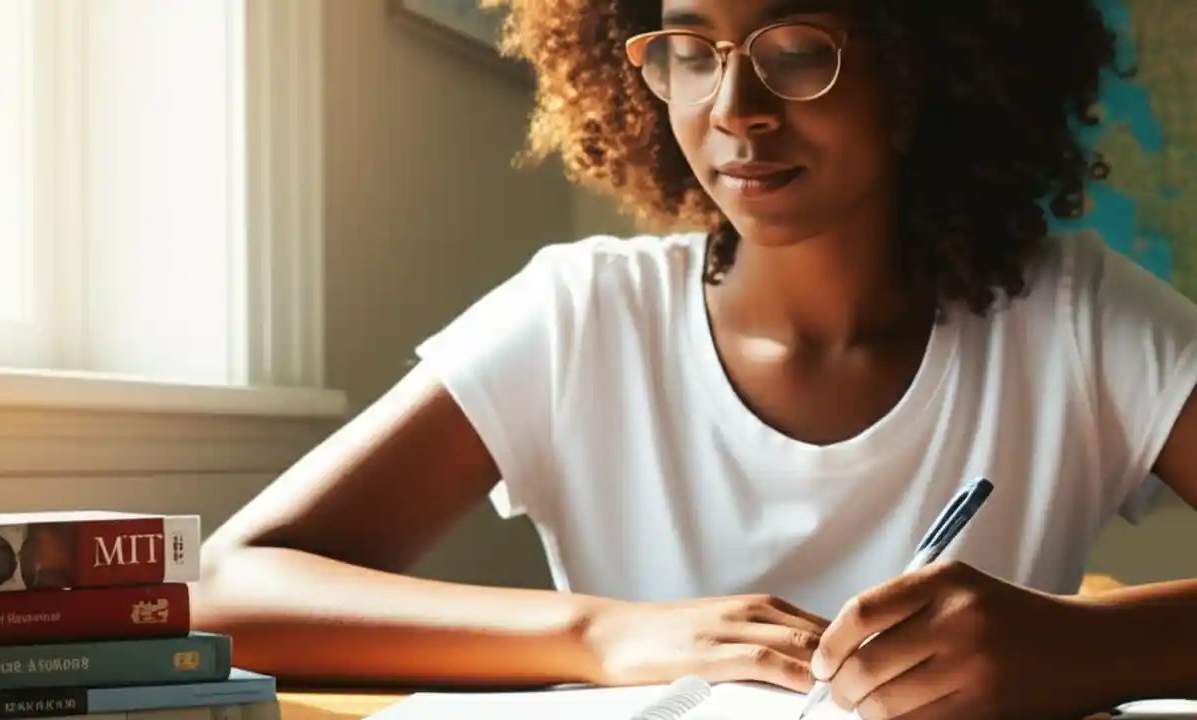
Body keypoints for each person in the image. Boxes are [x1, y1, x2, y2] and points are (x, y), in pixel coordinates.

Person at [191, 0, 1197, 717]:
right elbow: (222, 589)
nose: (734, 108)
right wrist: (602, 635)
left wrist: (1084, 645)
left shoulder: (1073, 313)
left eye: (799, 48)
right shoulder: (582, 314)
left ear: (926, 62)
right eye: (690, 48)